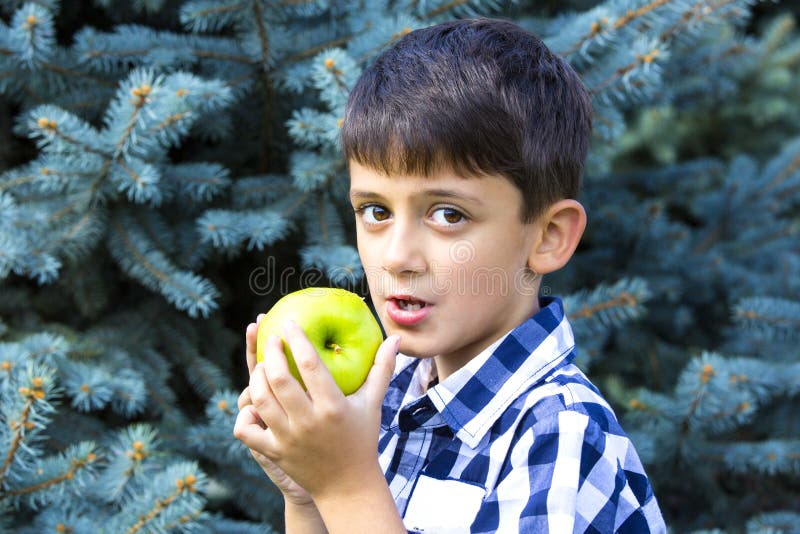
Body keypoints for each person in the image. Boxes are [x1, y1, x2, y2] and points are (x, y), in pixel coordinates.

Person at [234, 17, 666, 533]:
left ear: (549, 235)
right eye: (375, 211)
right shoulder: (385, 393)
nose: (397, 256)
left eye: (448, 215)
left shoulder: (560, 436)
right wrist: (306, 497)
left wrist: (345, 484)